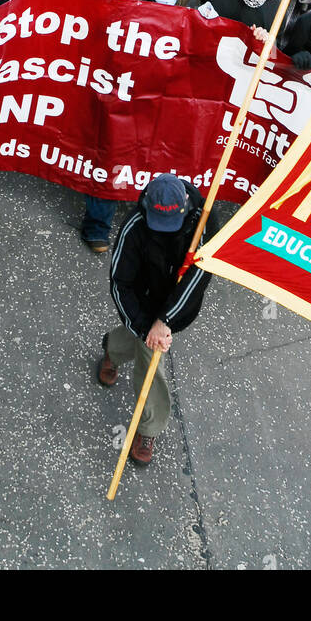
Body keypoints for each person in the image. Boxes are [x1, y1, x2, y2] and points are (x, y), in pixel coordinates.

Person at [98, 174, 214, 467]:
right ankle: (149, 427)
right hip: (144, 303)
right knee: (151, 360)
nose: (163, 231)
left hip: (175, 306)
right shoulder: (134, 226)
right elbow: (119, 282)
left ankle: (112, 348)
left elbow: (198, 278)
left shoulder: (203, 223)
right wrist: (145, 326)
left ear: (185, 205)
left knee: (146, 342)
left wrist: (166, 321)